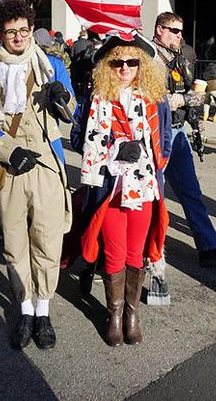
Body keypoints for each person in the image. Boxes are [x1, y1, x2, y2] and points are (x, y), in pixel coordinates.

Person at [0, 0, 76, 351]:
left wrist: (62, 98)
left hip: (47, 166)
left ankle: (44, 311)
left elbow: (70, 116)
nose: (18, 37)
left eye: (23, 30)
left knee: (47, 242)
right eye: (10, 32)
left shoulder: (51, 66)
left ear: (31, 29)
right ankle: (25, 310)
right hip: (10, 170)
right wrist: (8, 150)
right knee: (14, 244)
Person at [73, 34, 172, 346]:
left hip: (145, 186)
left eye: (132, 61)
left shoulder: (155, 97)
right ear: (107, 65)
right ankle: (114, 314)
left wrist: (156, 165)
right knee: (114, 250)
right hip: (110, 186)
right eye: (117, 62)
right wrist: (114, 149)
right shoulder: (96, 97)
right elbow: (79, 138)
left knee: (137, 250)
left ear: (142, 64)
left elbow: (166, 137)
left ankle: (132, 314)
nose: (125, 67)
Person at [152, 12, 216, 269]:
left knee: (191, 193)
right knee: (151, 198)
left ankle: (208, 247)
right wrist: (187, 99)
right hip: (157, 132)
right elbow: (156, 99)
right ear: (159, 29)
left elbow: (190, 92)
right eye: (174, 31)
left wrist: (193, 113)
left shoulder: (180, 57)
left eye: (181, 31)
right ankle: (149, 254)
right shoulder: (149, 57)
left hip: (178, 132)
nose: (179, 36)